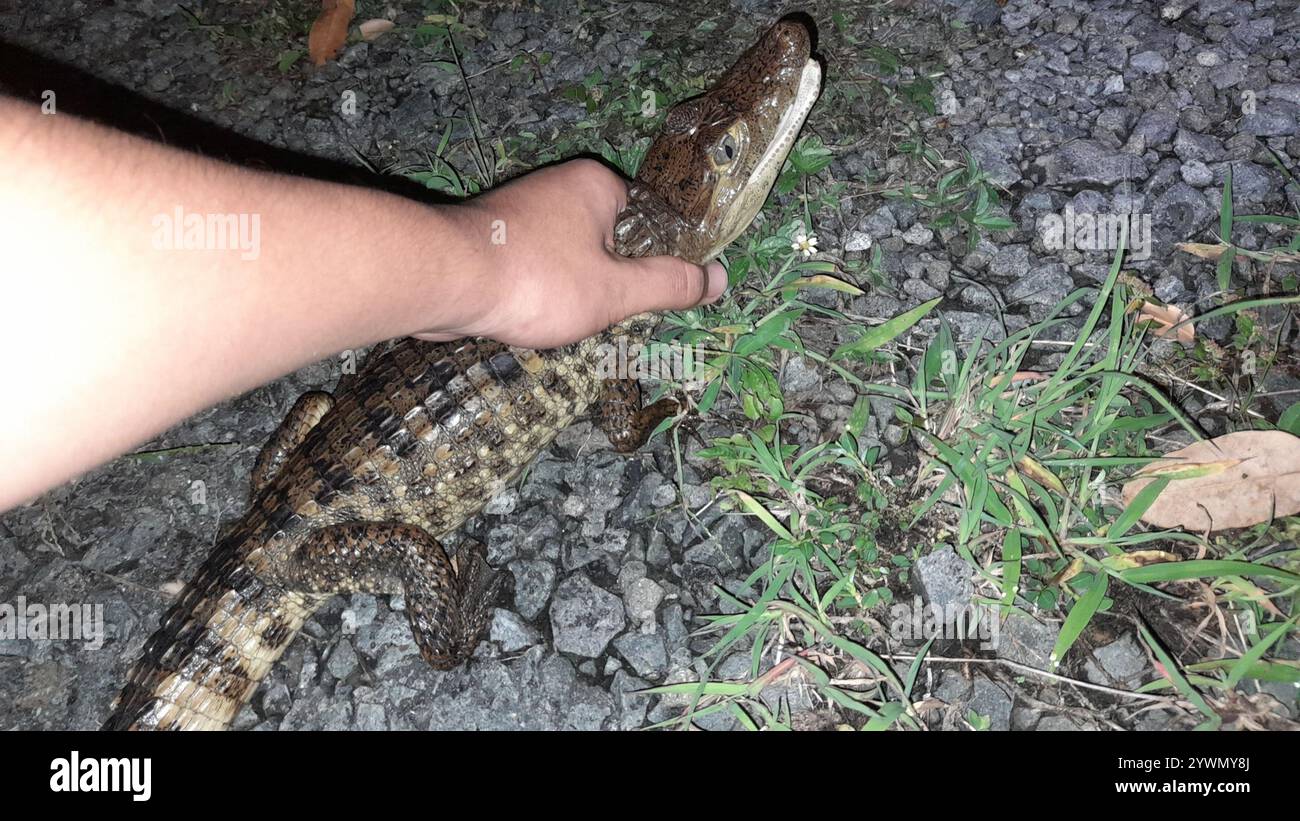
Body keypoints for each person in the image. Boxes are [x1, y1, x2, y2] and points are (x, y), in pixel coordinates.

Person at [0, 96, 725, 511]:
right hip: (317, 504)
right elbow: (623, 428)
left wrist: (487, 258)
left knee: (320, 405)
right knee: (337, 436)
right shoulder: (618, 336)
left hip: (310, 484)